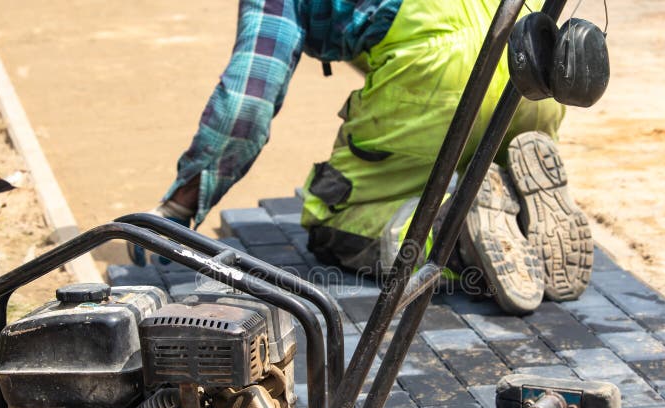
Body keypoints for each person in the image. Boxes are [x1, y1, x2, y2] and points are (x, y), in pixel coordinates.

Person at [132, 0, 592, 314]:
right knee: (453, 154)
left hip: (439, 79)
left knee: (335, 225)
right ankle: (519, 206)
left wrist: (177, 209)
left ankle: (456, 232)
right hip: (532, 64)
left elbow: (246, 107)